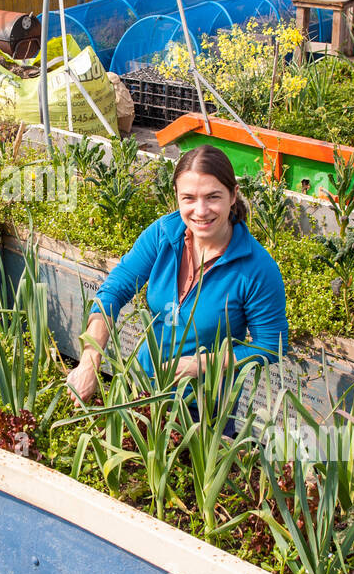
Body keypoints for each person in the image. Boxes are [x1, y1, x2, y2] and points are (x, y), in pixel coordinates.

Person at [65, 143, 288, 404]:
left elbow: (270, 345)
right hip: (141, 388)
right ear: (176, 196)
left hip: (204, 408)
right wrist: (90, 361)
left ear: (233, 195)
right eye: (189, 198)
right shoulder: (163, 235)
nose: (201, 210)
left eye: (213, 197)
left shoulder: (256, 268)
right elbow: (114, 291)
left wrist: (200, 365)